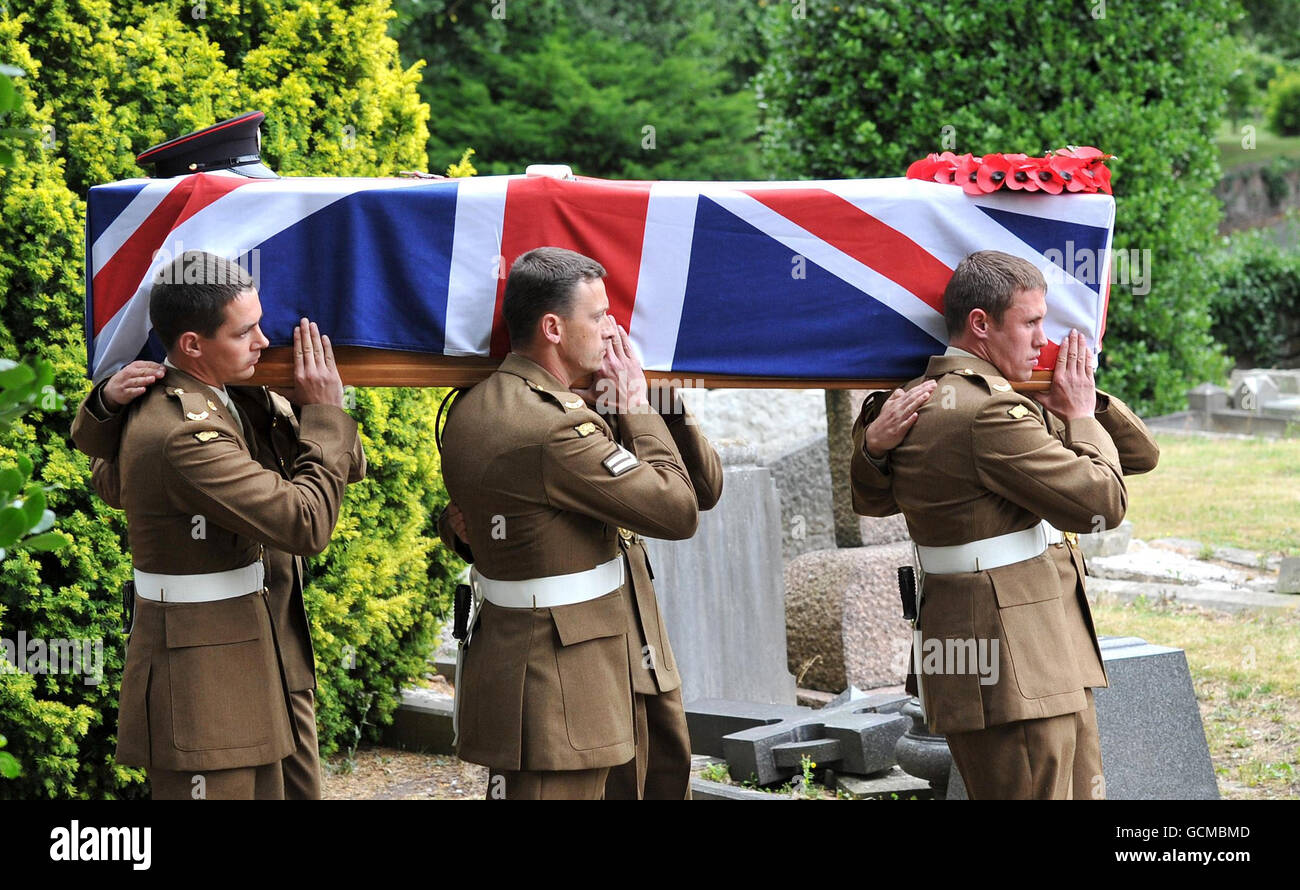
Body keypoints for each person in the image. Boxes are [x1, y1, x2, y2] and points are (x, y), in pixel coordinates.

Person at [850, 249, 1159, 800]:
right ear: (980, 325)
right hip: (1012, 659)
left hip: (1036, 653)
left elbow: (1140, 454)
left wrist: (1071, 392)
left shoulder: (962, 399)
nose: (1046, 338)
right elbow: (1104, 501)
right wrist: (1080, 415)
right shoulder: (988, 414)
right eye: (1033, 322)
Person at [71, 250, 365, 800]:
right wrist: (326, 413)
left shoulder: (233, 395)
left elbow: (348, 464)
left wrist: (306, 409)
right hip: (206, 670)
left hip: (266, 638)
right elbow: (305, 523)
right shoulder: (184, 431)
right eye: (245, 331)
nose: (262, 341)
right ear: (191, 345)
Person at [437, 246, 701, 800]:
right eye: (599, 316)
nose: (613, 330)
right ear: (553, 327)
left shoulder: (474, 402)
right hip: (563, 679)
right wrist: (636, 404)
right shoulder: (556, 428)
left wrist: (655, 401)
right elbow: (678, 511)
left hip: (610, 655)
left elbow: (704, 487)